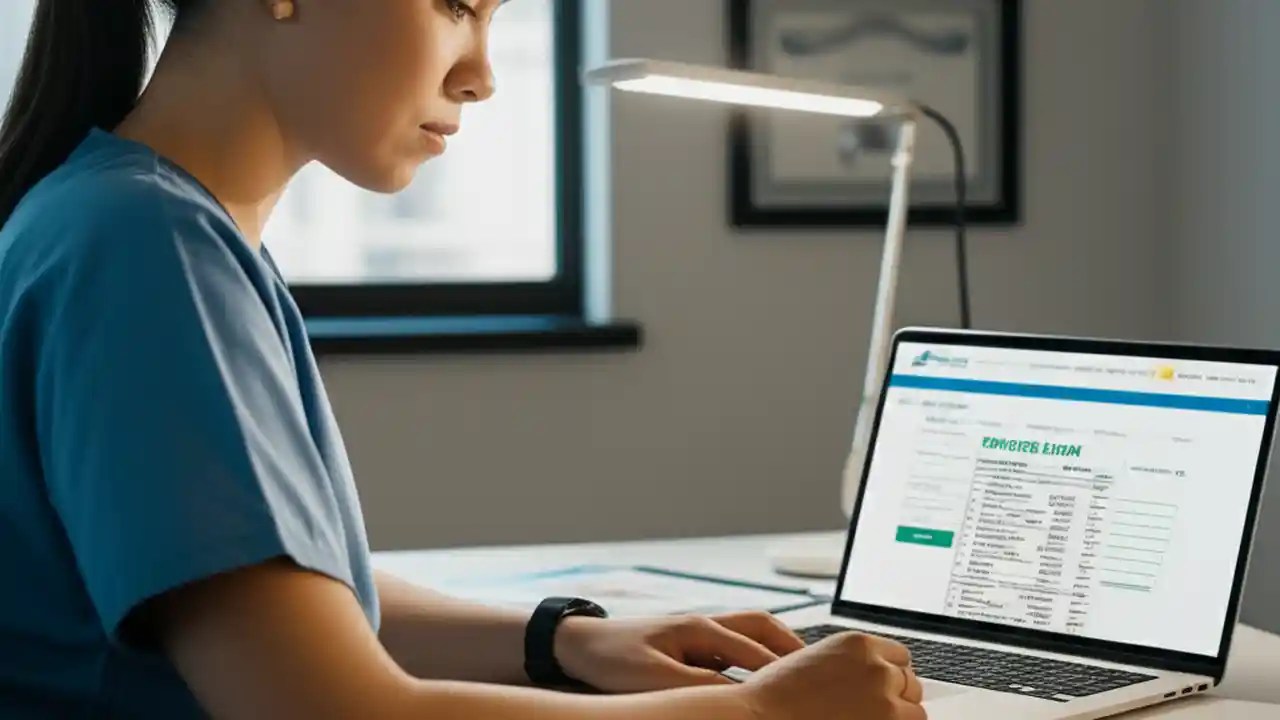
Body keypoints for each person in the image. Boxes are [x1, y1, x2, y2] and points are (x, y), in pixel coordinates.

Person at [0, 1, 927, 718]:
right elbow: (328, 708)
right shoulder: (147, 248)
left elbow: (277, 601)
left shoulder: (125, 219)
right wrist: (757, 710)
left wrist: (560, 639)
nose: (482, 75)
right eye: (454, 6)